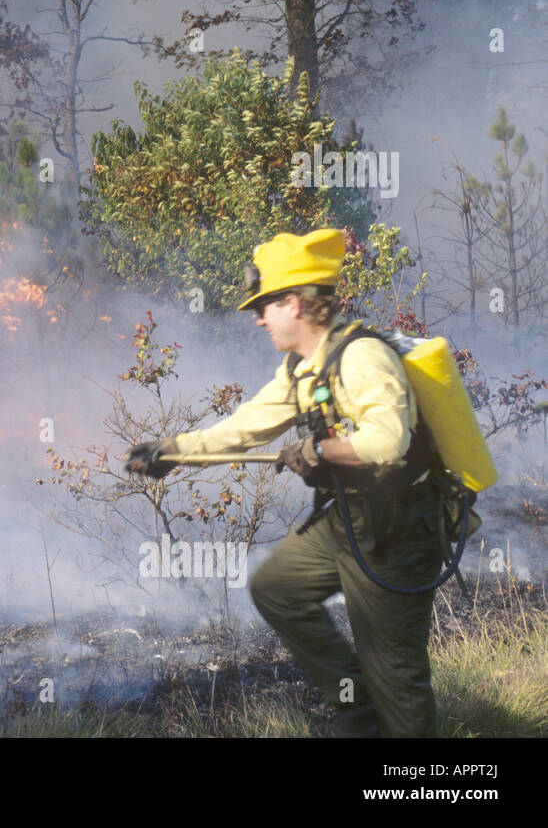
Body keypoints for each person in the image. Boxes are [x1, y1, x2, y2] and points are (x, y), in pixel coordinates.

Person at [125, 228, 444, 737]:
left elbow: (388, 443)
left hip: (399, 529)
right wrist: (173, 451)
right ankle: (360, 717)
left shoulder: (362, 357)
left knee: (395, 672)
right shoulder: (301, 367)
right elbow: (246, 426)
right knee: (277, 588)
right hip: (348, 519)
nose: (257, 318)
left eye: (264, 305)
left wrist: (318, 449)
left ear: (294, 303)